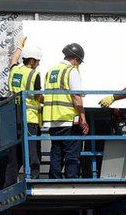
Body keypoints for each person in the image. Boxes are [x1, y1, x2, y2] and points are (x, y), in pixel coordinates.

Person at [42, 43, 88, 179]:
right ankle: (71, 181)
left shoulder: (50, 72)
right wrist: (83, 118)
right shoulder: (71, 71)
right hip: (68, 119)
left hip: (53, 120)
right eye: (79, 61)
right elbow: (76, 96)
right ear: (75, 59)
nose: (78, 64)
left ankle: (54, 180)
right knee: (72, 154)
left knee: (56, 153)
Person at [2, 39, 44, 185]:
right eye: (37, 61)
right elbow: (38, 96)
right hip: (29, 118)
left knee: (14, 155)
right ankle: (33, 178)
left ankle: (9, 182)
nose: (38, 64)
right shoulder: (34, 74)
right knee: (33, 152)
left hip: (13, 119)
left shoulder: (15, 70)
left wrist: (20, 46)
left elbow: (13, 59)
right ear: (32, 61)